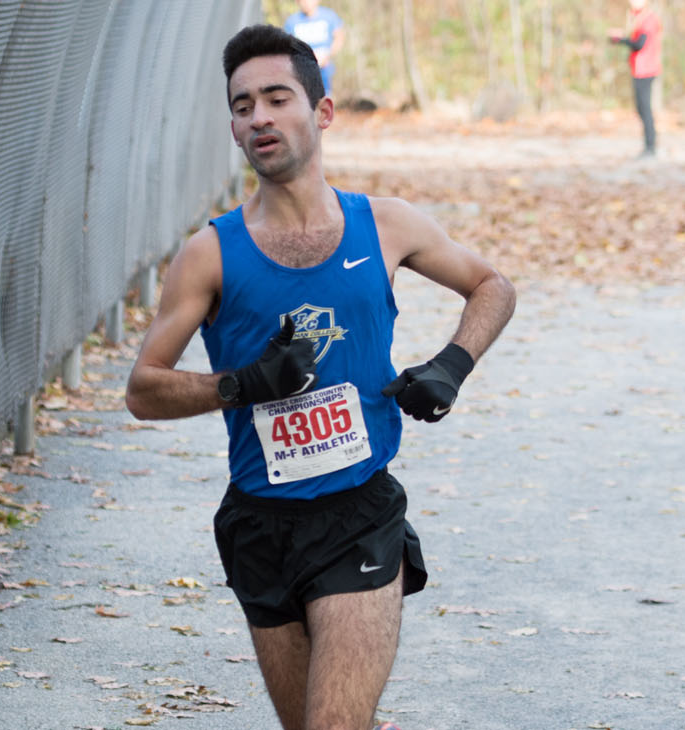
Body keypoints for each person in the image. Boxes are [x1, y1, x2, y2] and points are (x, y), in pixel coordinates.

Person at [125, 25, 515, 730]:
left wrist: (450, 367)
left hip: (359, 516)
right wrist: (240, 385)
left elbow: (491, 286)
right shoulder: (209, 255)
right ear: (235, 130)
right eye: (244, 106)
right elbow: (143, 390)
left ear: (322, 112)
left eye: (277, 98)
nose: (260, 116)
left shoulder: (386, 225)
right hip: (259, 524)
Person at [609, 0, 662, 159]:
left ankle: (650, 147)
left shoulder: (649, 19)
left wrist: (620, 40)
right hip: (639, 69)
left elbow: (639, 44)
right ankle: (648, 146)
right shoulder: (640, 18)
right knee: (641, 108)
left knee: (644, 109)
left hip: (646, 70)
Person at [283, 0, 346, 97]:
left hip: (324, 68)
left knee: (326, 98)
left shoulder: (329, 16)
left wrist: (327, 55)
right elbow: (287, 46)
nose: (306, 3)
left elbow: (339, 37)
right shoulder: (292, 21)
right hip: (302, 70)